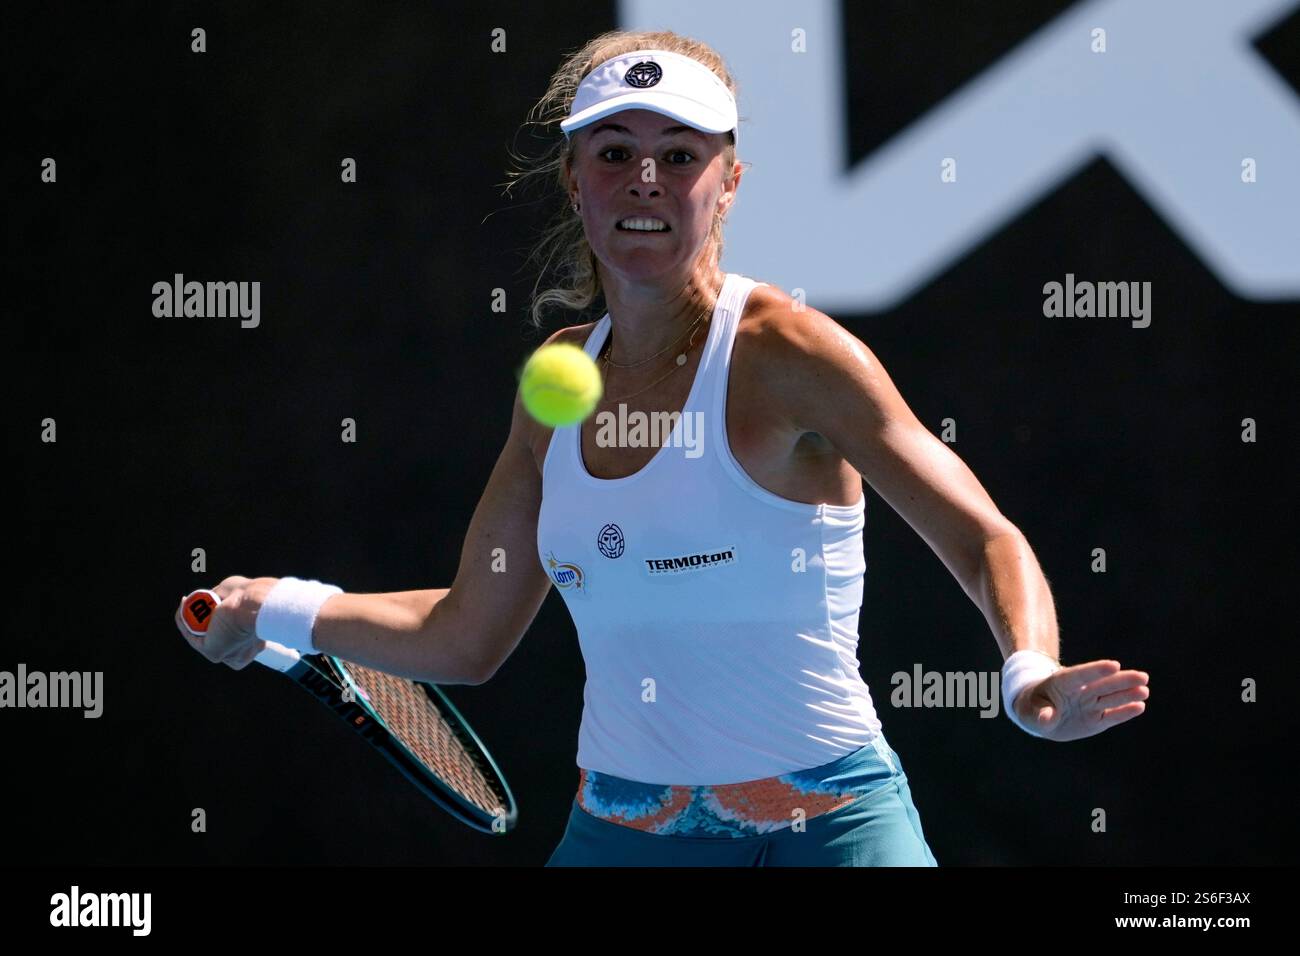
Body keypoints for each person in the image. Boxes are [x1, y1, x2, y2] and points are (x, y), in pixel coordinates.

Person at [175, 29, 1150, 866]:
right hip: (624, 831)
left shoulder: (790, 353)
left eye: (681, 154)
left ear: (728, 181)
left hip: (831, 826)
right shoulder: (555, 384)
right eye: (613, 151)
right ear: (574, 178)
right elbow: (463, 636)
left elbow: (983, 535)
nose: (645, 178)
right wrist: (280, 607)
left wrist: (1029, 671)